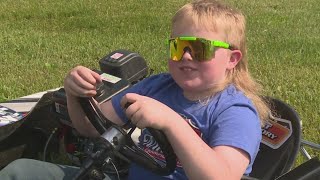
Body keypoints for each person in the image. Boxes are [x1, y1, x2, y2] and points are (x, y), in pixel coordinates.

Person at [0, 0, 270, 179]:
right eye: (178, 47)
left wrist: (171, 122)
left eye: (199, 49)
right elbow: (92, 128)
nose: (186, 57)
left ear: (231, 59)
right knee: (20, 171)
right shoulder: (159, 85)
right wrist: (77, 95)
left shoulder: (235, 111)